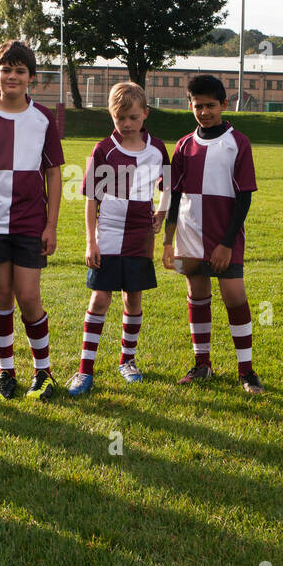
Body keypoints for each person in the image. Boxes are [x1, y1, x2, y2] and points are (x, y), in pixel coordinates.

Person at [0, 40, 64, 401]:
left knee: (29, 296)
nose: (13, 76)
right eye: (6, 69)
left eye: (21, 71)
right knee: (1, 296)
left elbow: (53, 174)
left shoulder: (43, 118)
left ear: (31, 77)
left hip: (30, 223)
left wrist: (50, 226)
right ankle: (5, 373)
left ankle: (43, 371)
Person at [161, 74, 263, 394]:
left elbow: (244, 197)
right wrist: (167, 240)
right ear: (189, 105)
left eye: (210, 105)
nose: (204, 112)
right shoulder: (182, 145)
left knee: (234, 296)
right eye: (197, 105)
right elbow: (173, 195)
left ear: (223, 104)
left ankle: (246, 371)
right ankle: (202, 364)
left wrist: (227, 243)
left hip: (224, 237)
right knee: (198, 294)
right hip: (189, 233)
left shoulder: (238, 142)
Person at [66, 82, 169, 396]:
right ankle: (85, 370)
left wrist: (161, 214)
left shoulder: (157, 149)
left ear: (145, 115)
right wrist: (90, 241)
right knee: (99, 299)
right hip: (108, 234)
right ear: (112, 116)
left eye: (133, 118)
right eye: (120, 117)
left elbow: (169, 186)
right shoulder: (103, 149)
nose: (126, 124)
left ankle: (128, 360)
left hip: (140, 236)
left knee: (133, 297)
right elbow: (90, 199)